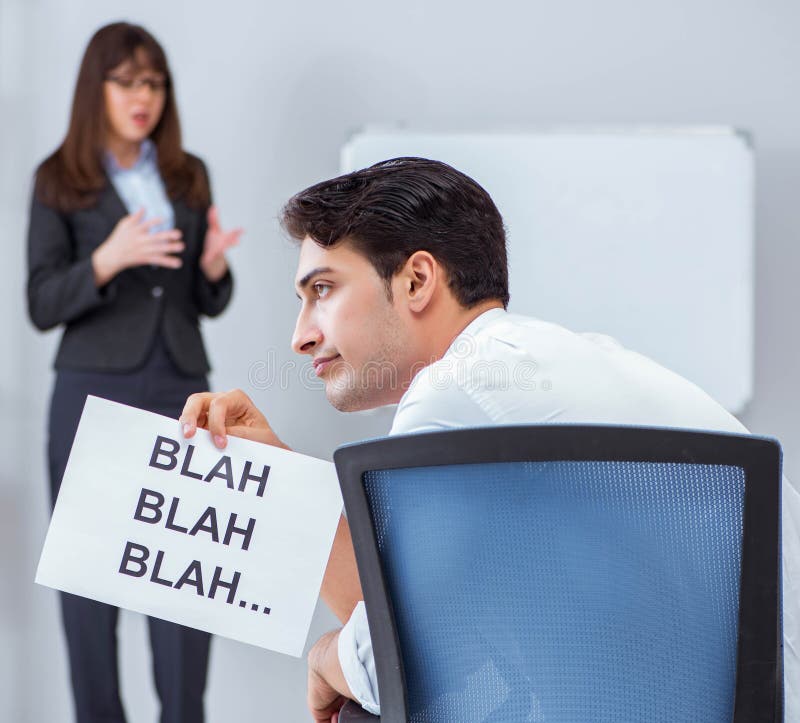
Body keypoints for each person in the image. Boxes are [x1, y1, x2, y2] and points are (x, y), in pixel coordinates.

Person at [177, 157, 799, 722]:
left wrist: (322, 660)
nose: (301, 336)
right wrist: (281, 483)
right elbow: (404, 625)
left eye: (322, 290)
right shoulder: (530, 366)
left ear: (417, 281)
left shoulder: (458, 391)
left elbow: (388, 668)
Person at [27, 22, 240, 723]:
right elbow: (40, 301)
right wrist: (106, 260)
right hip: (92, 393)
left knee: (182, 582)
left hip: (180, 386)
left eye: (153, 82)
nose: (142, 96)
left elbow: (203, 300)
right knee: (88, 582)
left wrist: (213, 270)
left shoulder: (187, 174)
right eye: (127, 81)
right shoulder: (59, 179)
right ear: (99, 89)